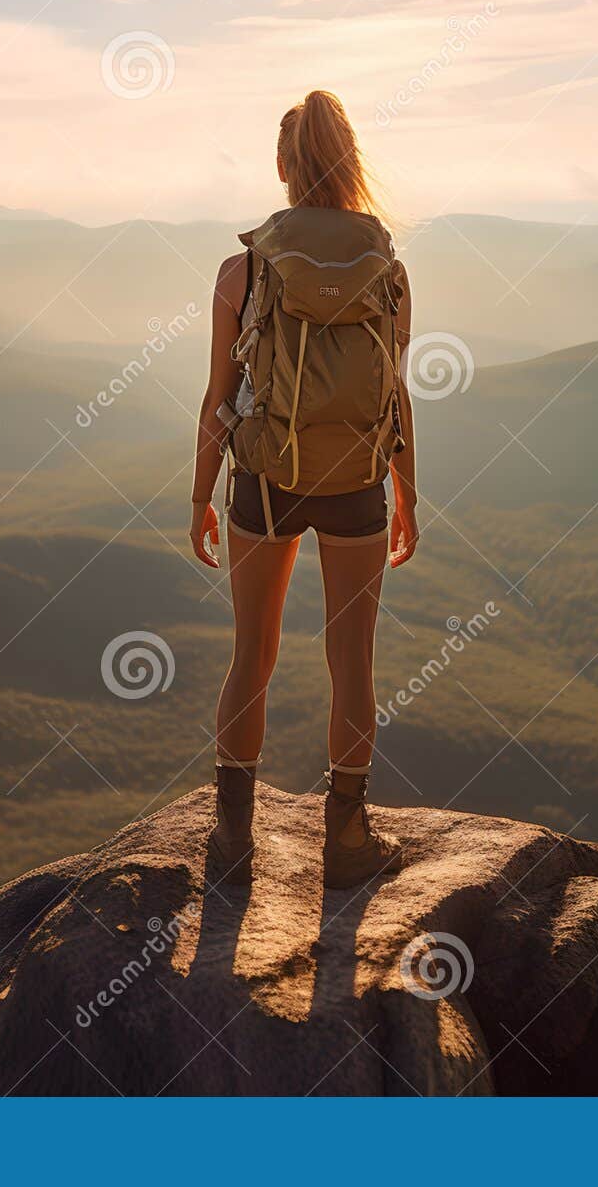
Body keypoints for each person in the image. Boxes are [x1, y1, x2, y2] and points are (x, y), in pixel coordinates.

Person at [188, 89, 419, 889]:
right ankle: (348, 838)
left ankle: (232, 839)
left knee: (252, 650)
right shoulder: (388, 271)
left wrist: (198, 498)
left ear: (284, 168)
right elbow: (397, 393)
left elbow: (220, 397)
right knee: (351, 657)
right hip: (357, 480)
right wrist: (408, 497)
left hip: (265, 478)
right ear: (349, 162)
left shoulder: (244, 268)